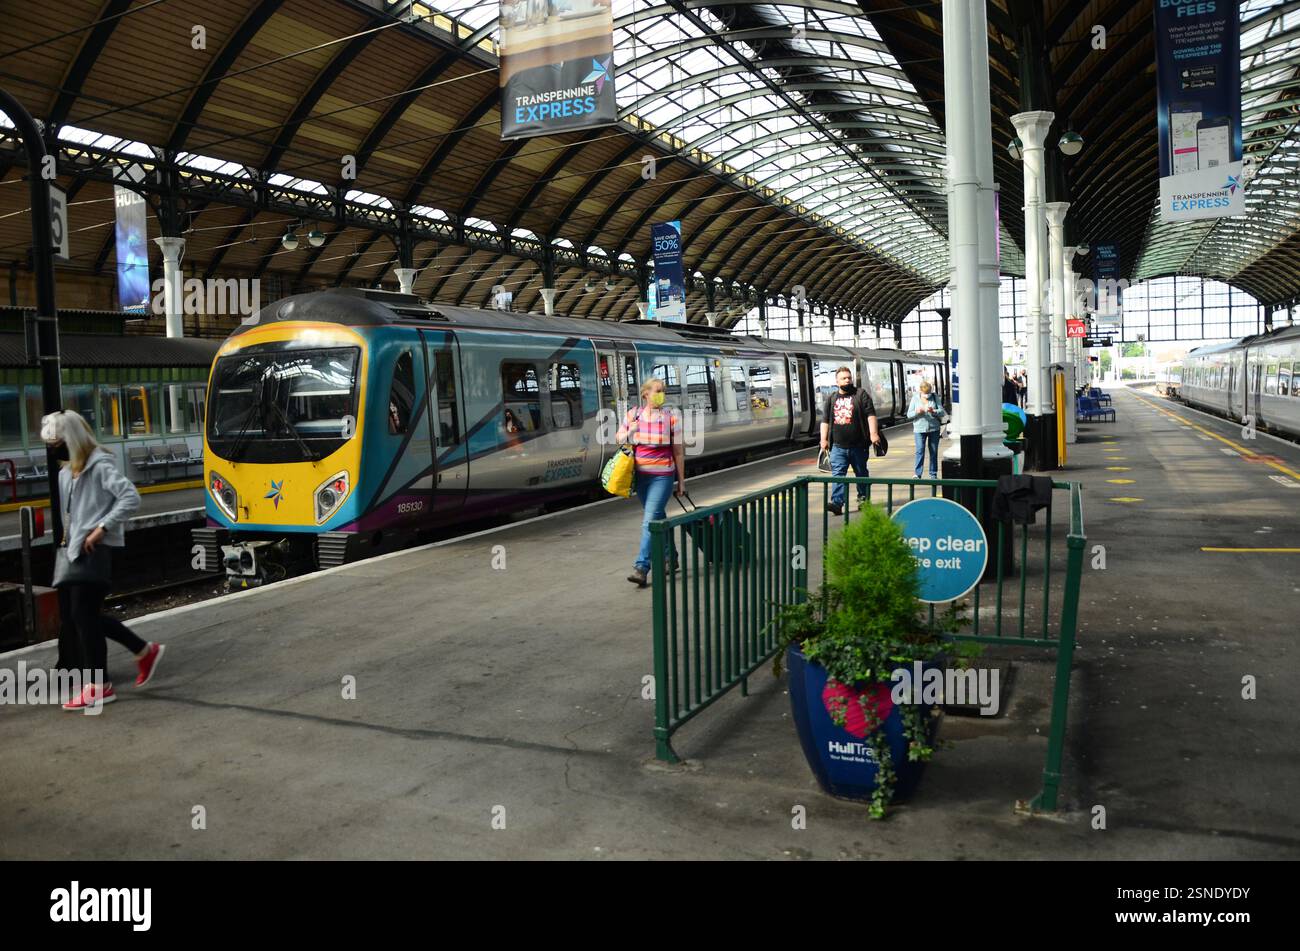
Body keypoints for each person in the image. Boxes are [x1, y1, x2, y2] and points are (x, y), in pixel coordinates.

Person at [42, 411, 164, 711]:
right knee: (84, 617)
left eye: (55, 441)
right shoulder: (65, 473)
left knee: (83, 616)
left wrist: (101, 529)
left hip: (94, 551)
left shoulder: (99, 465)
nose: (51, 448)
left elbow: (130, 497)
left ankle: (100, 685)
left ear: (70, 438)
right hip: (74, 552)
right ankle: (143, 651)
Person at [616, 378, 684, 588]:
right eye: (657, 391)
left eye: (663, 391)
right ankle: (670, 556)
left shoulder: (671, 419)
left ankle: (642, 567)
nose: (660, 395)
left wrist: (681, 481)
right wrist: (630, 431)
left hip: (663, 476)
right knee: (657, 516)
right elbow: (619, 439)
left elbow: (679, 452)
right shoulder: (633, 415)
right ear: (645, 394)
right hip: (641, 478)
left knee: (648, 521)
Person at [819, 366, 880, 515]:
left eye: (849, 377)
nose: (847, 380)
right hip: (838, 446)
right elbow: (825, 421)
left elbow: (871, 415)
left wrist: (873, 434)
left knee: (861, 474)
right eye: (844, 378)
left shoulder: (861, 394)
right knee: (838, 475)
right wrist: (823, 439)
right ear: (837, 381)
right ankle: (837, 503)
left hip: (859, 445)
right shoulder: (832, 398)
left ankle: (863, 501)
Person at [906, 381, 946, 479]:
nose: (927, 395)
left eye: (928, 393)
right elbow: (909, 414)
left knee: (933, 451)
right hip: (919, 429)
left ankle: (933, 474)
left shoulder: (935, 397)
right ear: (920, 391)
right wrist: (917, 412)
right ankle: (918, 473)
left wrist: (934, 411)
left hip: (934, 428)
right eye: (925, 393)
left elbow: (941, 412)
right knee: (920, 450)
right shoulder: (915, 398)